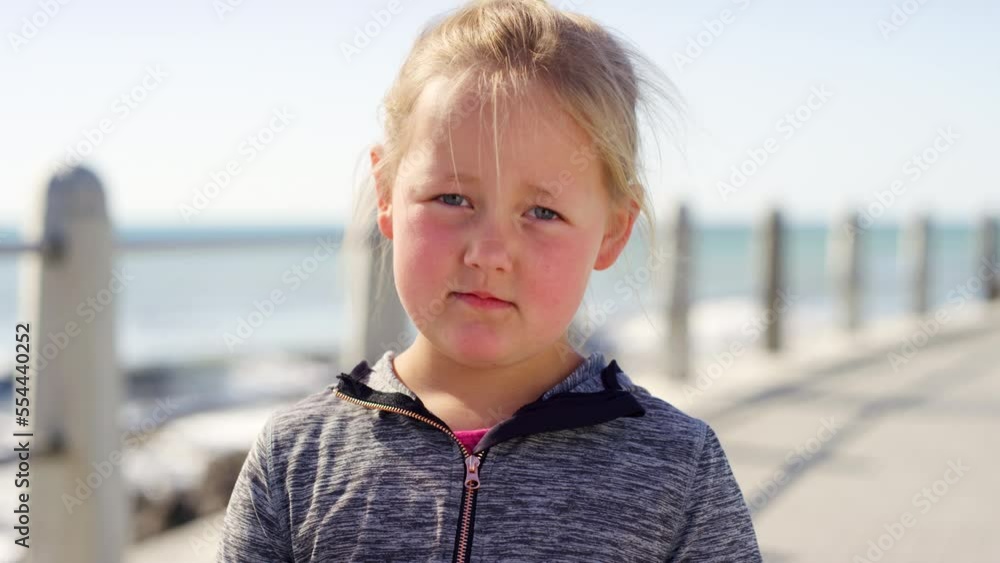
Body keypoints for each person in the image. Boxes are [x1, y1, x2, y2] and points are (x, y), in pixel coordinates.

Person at [218, 0, 762, 561]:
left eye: (543, 213)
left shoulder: (676, 469)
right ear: (386, 193)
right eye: (451, 198)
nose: (489, 253)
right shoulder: (296, 460)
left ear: (612, 231)